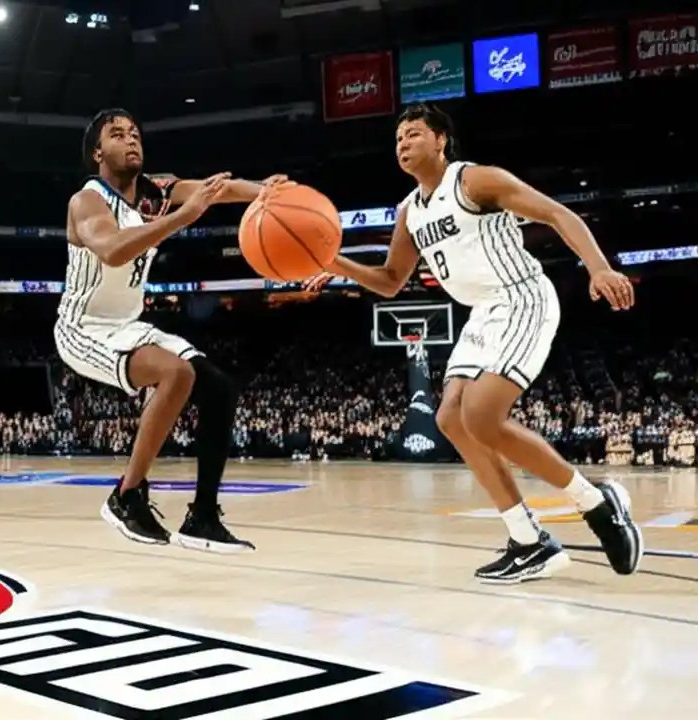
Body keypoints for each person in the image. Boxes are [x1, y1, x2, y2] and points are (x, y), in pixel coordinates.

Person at [306, 103, 642, 583]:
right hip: (483, 313)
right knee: (450, 418)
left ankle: (597, 504)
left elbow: (554, 212)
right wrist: (333, 261)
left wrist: (599, 266)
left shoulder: (475, 181)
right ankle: (529, 540)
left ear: (441, 140)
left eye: (414, 134)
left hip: (520, 296)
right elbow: (389, 280)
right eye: (398, 138)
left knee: (482, 417)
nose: (403, 144)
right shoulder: (409, 211)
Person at [56, 107, 288, 553]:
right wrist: (185, 217)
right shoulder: (88, 200)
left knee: (218, 386)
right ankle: (127, 495)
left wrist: (267, 194)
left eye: (135, 131)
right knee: (176, 373)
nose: (131, 138)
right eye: (117, 134)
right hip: (82, 328)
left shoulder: (154, 190)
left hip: (126, 324)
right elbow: (113, 250)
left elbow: (213, 189)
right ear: (98, 153)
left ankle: (202, 516)